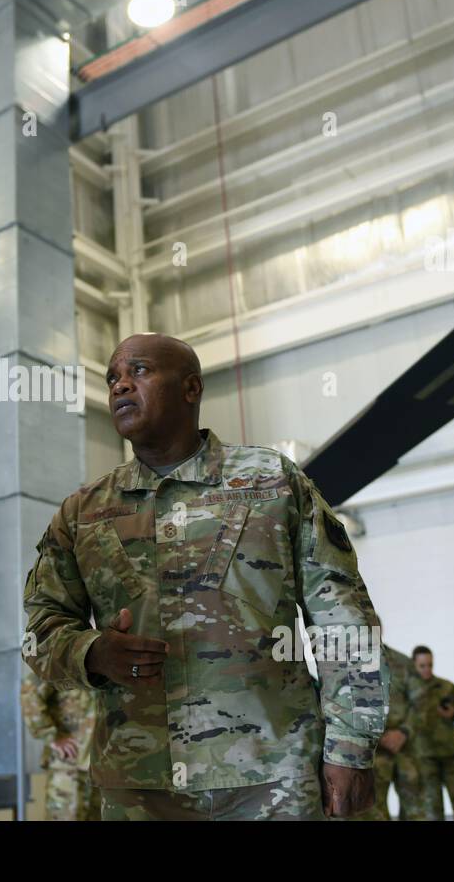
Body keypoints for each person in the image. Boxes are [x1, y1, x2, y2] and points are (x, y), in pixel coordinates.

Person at [23, 333, 387, 821]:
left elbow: (342, 617)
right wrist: (92, 652)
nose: (120, 386)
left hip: (272, 779)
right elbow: (40, 632)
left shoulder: (271, 482)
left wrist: (350, 747)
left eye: (140, 371)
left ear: (191, 388)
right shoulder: (83, 512)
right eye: (113, 377)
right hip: (141, 788)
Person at [407, 646, 454, 820]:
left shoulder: (446, 687)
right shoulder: (407, 691)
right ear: (414, 665)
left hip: (452, 755)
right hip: (423, 758)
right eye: (422, 665)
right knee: (431, 811)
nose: (427, 669)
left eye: (430, 665)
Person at [355, 645, 429, 820]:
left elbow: (421, 702)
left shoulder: (404, 663)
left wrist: (404, 732)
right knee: (374, 810)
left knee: (416, 808)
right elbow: (343, 705)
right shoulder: (348, 663)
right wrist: (377, 735)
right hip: (371, 751)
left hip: (407, 748)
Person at [20, 672, 101, 820]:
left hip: (102, 768)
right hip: (69, 765)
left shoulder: (109, 660)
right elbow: (30, 690)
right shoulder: (63, 656)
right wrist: (51, 735)